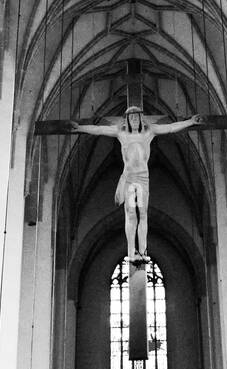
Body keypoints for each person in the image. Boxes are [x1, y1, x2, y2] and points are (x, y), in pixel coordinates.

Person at [70, 105, 203, 261]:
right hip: (128, 176)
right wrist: (80, 127)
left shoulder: (149, 133)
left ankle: (143, 251)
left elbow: (171, 128)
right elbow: (98, 130)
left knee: (143, 213)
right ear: (126, 120)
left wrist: (191, 122)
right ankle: (131, 252)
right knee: (131, 214)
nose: (133, 120)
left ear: (141, 119)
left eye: (136, 117)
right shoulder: (121, 134)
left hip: (143, 177)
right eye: (131, 117)